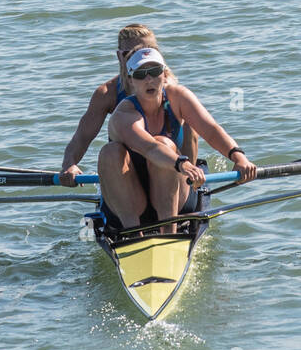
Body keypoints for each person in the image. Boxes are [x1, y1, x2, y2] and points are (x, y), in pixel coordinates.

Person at [99, 47, 256, 231]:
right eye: (141, 74)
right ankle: (133, 234)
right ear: (131, 81)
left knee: (165, 143)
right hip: (132, 202)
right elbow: (150, 148)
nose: (149, 79)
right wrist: (182, 164)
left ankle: (169, 233)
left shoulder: (178, 97)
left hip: (175, 200)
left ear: (164, 75)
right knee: (109, 152)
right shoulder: (124, 115)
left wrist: (238, 157)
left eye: (155, 72)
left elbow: (211, 130)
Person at [58, 24, 197, 186]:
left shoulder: (171, 89)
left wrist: (233, 153)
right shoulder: (107, 93)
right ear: (120, 57)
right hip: (129, 175)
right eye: (131, 53)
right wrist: (69, 164)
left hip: (171, 169)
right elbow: (81, 137)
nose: (140, 57)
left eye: (148, 50)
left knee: (190, 122)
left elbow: (210, 128)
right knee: (110, 152)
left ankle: (192, 183)